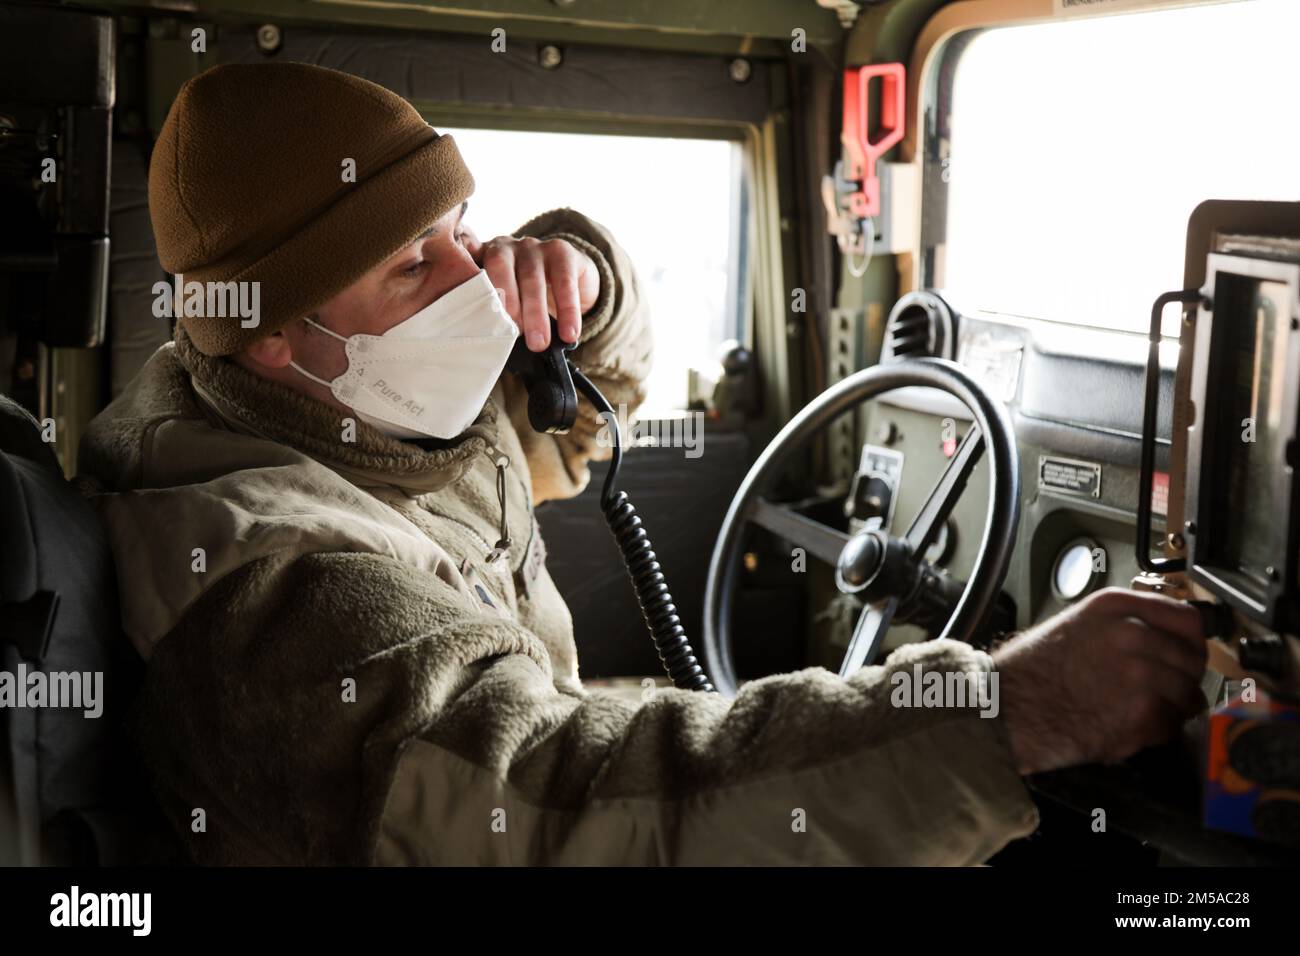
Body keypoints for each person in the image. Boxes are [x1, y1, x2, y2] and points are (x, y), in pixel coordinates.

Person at [78, 61, 1207, 865]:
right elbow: (558, 806)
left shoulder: (358, 403)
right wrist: (1001, 708)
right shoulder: (273, 581)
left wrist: (582, 277)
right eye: (418, 265)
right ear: (277, 330)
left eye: (464, 228)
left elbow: (587, 418)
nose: (475, 279)